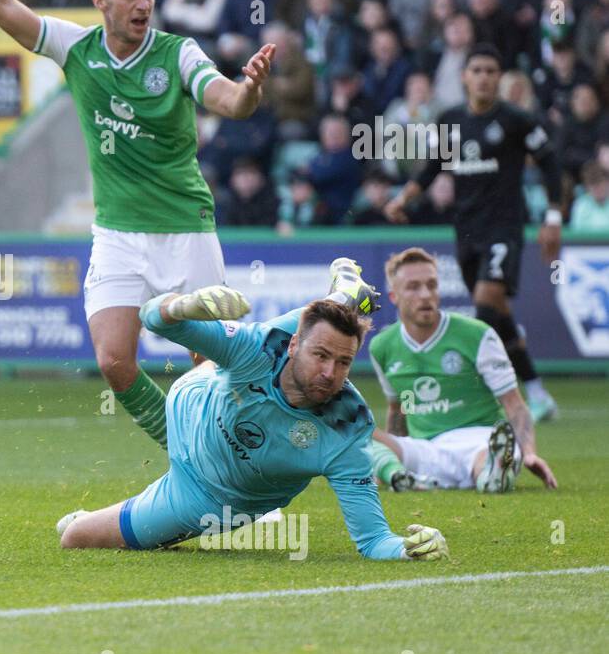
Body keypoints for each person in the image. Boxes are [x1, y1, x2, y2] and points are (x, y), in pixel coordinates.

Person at [0, 0, 275, 451]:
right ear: (100, 1)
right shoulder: (77, 47)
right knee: (113, 361)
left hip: (185, 228)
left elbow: (228, 101)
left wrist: (250, 88)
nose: (142, 4)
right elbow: (1, 6)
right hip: (116, 233)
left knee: (210, 367)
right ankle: (185, 455)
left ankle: (239, 465)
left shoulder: (177, 54)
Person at [56, 283, 448, 562]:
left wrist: (407, 548)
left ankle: (343, 296)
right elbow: (154, 320)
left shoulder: (348, 426)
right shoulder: (262, 343)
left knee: (75, 537)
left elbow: (373, 539)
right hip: (191, 402)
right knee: (249, 347)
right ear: (294, 345)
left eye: (343, 362)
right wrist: (182, 305)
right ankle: (341, 297)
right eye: (321, 355)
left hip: (205, 498)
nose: (330, 373)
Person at [385, 43, 564, 422]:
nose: (483, 77)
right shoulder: (448, 119)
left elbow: (550, 164)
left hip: (504, 227)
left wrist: (552, 218)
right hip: (466, 230)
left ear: (499, 79)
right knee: (499, 315)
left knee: (484, 305)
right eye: (477, 70)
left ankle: (476, 389)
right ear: (465, 77)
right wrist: (405, 198)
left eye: (490, 71)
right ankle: (536, 392)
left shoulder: (517, 120)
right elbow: (432, 166)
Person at [366, 248, 557, 493]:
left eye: (432, 285)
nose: (425, 295)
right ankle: (397, 474)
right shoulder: (382, 347)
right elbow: (400, 408)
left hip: (481, 440)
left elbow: (514, 404)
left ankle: (491, 474)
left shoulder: (477, 335)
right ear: (394, 296)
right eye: (413, 287)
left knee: (492, 456)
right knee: (360, 434)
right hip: (427, 450)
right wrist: (394, 447)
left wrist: (529, 454)